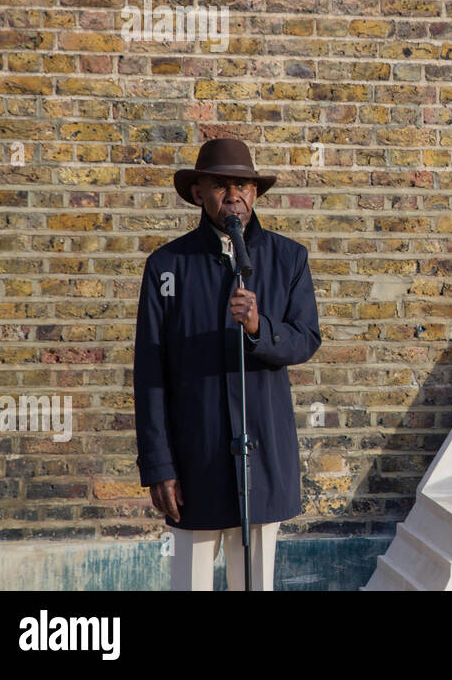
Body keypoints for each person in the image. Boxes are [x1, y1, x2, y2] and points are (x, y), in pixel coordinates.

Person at [133, 138, 321, 590]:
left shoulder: (288, 258)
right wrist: (159, 466)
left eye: (242, 185)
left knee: (254, 583)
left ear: (255, 193)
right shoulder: (167, 265)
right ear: (199, 193)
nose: (233, 195)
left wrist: (259, 326)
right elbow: (149, 372)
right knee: (190, 582)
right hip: (194, 459)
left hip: (263, 456)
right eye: (221, 185)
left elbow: (305, 340)